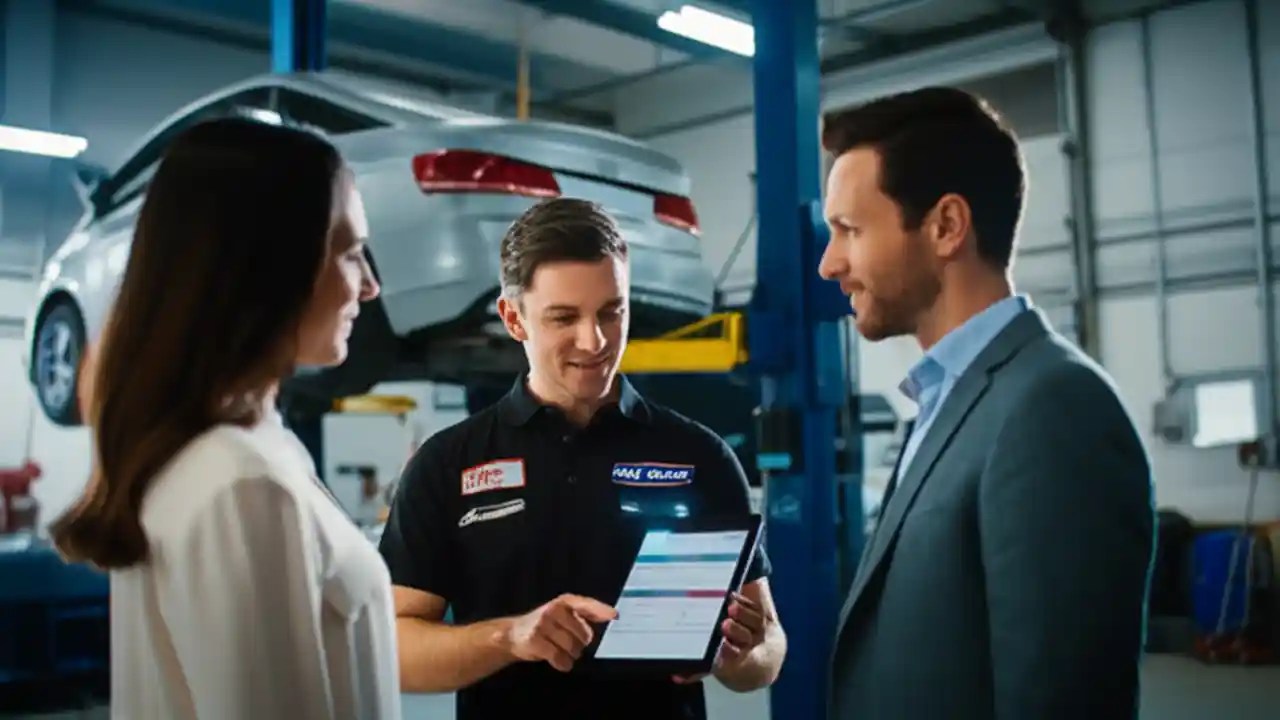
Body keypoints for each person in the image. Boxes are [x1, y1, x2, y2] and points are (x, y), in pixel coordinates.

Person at [818, 87, 1155, 719]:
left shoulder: (1054, 409)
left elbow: (1061, 703)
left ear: (946, 226)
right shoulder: (951, 398)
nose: (828, 264)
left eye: (850, 230)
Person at [379, 198, 786, 719]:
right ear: (514, 318)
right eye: (564, 317)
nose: (593, 340)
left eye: (612, 312)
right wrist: (510, 636)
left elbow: (769, 650)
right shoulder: (449, 464)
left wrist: (742, 651)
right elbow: (396, 651)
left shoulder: (699, 456)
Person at [49, 117, 401, 720]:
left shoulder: (239, 454)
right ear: (265, 269)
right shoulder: (239, 483)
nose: (370, 285)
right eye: (348, 251)